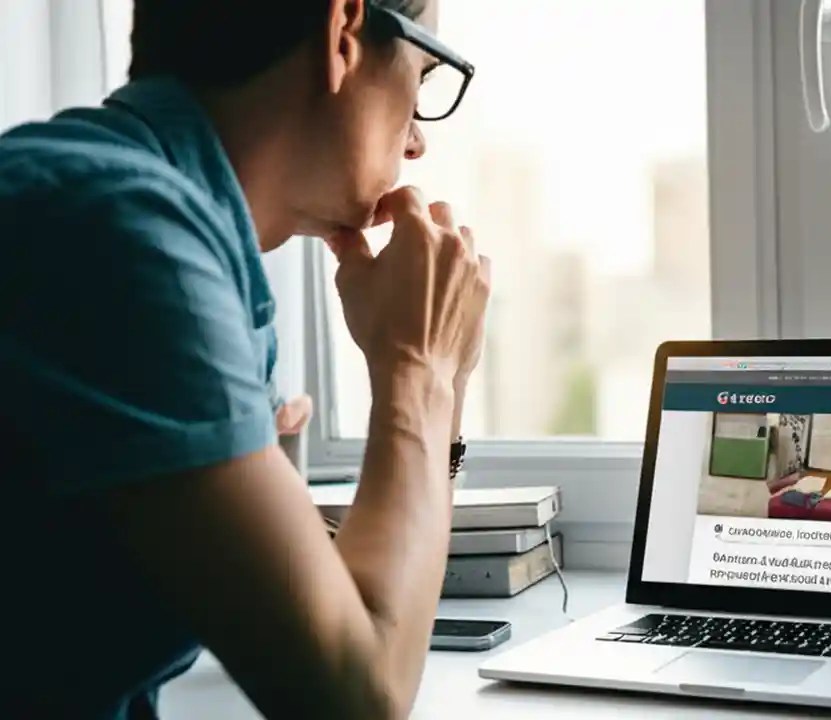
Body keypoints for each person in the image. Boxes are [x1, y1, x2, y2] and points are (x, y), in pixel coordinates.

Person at [0, 1, 488, 717]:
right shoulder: (121, 235)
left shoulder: (113, 201)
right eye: (421, 76)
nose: (417, 142)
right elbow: (360, 696)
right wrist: (422, 368)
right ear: (343, 31)